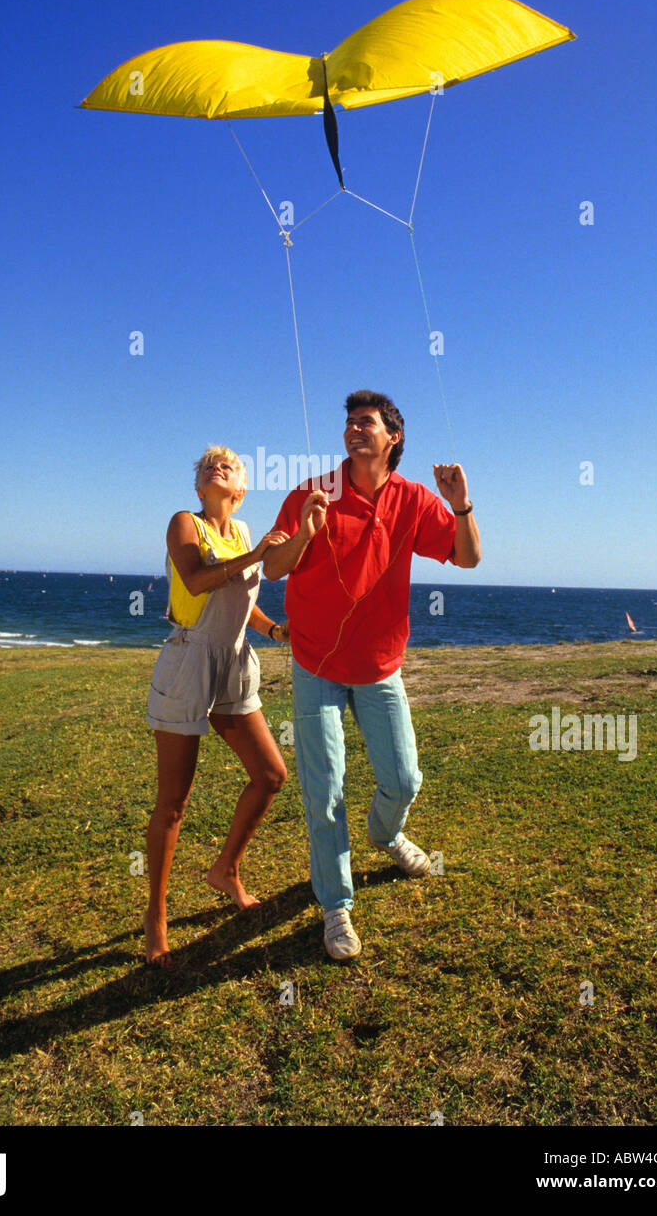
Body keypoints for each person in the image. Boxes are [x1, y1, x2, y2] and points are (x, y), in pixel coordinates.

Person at [263, 390, 481, 960]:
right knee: (326, 790)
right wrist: (306, 533)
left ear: (393, 438)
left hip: (381, 667)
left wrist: (461, 505)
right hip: (316, 664)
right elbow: (272, 567)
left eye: (367, 422)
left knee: (405, 779)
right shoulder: (312, 493)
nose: (354, 429)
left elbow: (468, 557)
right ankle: (336, 907)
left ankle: (384, 834)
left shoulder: (413, 499)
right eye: (350, 422)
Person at [145, 445, 290, 967]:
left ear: (240, 489)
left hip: (234, 659)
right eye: (207, 466)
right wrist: (253, 558)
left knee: (271, 775)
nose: (215, 468)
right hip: (188, 660)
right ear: (200, 486)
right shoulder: (186, 522)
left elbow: (242, 601)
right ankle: (156, 922)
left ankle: (225, 869)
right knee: (173, 803)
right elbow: (197, 580)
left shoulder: (245, 530)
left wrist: (273, 628)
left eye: (226, 465)